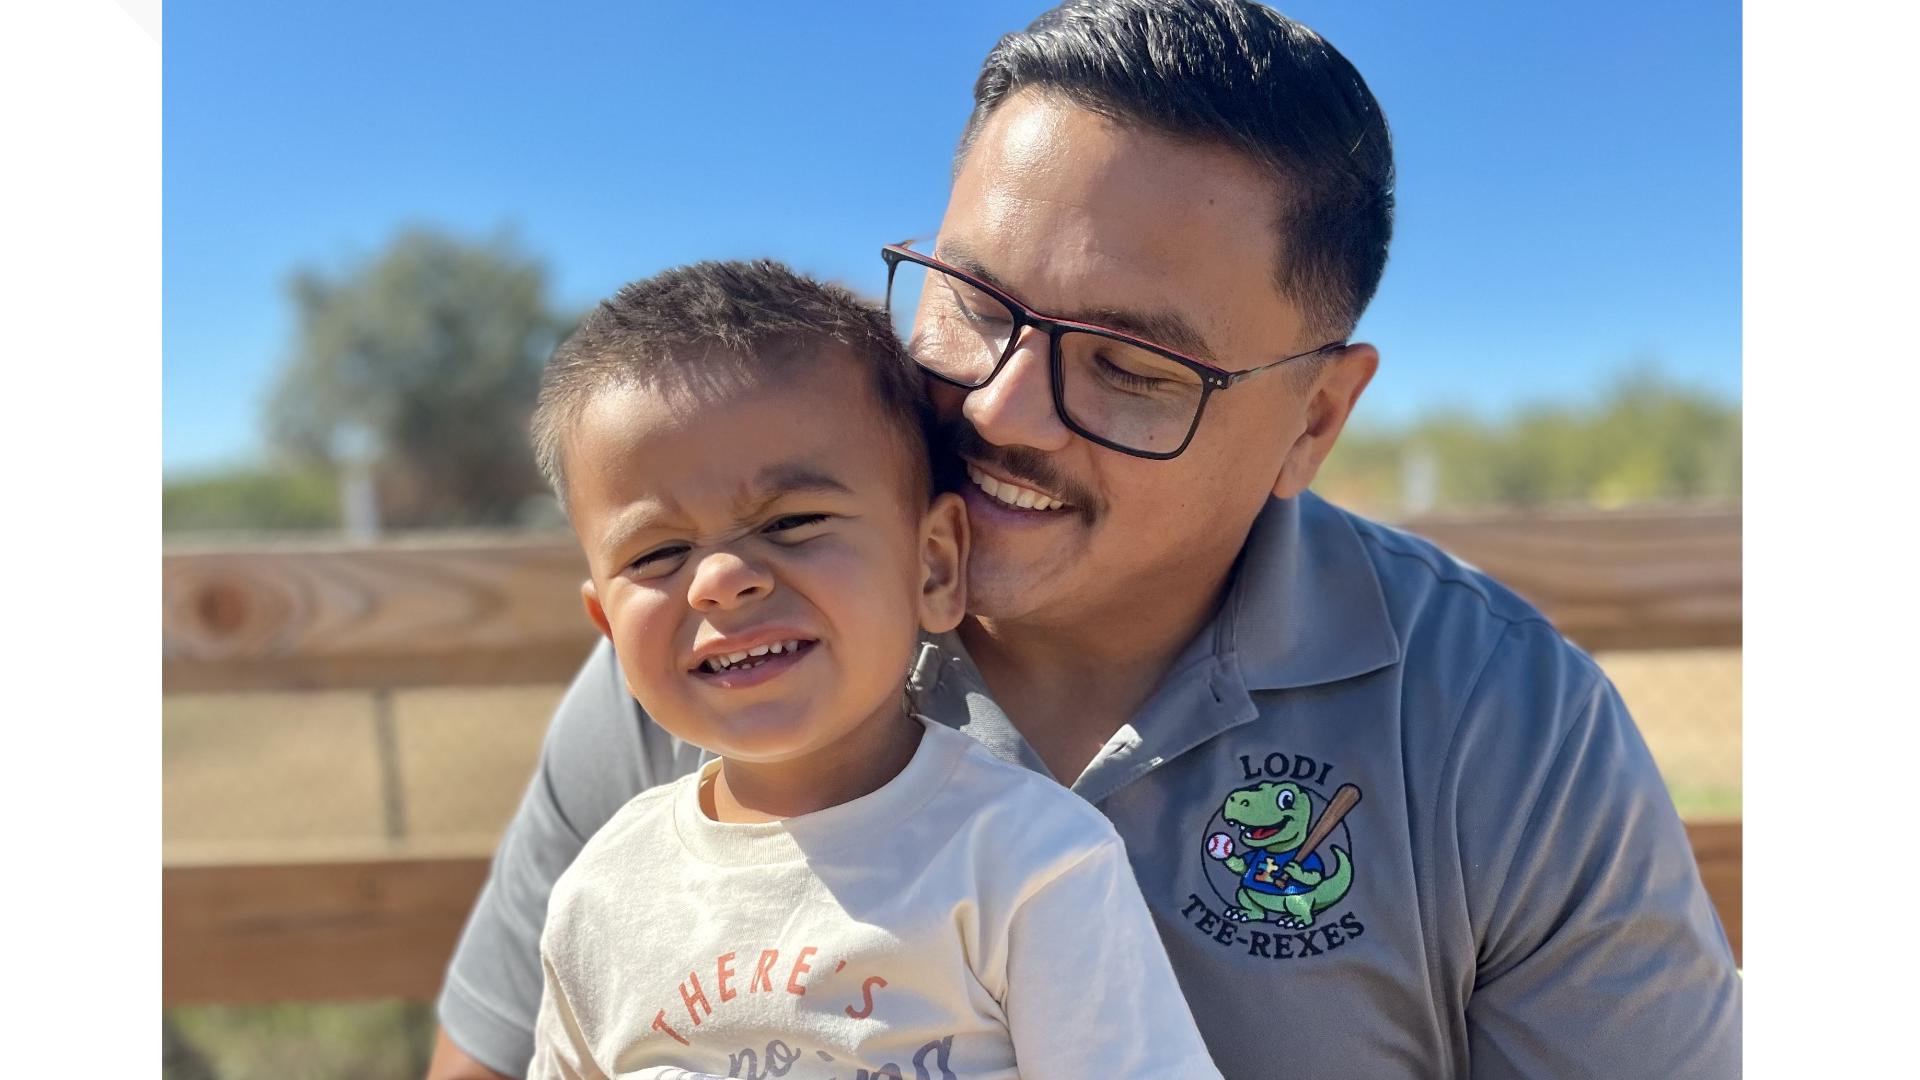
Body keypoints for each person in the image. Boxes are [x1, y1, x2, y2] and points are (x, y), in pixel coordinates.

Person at [431, 2, 1742, 1077]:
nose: (998, 407)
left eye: (1129, 366)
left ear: (1315, 418)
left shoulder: (1495, 721)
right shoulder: (725, 658)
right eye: (971, 299)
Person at [520, 259, 1223, 1079]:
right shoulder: (603, 897)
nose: (719, 580)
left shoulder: (1028, 863)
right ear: (608, 627)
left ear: (932, 566)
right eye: (660, 552)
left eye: (794, 520)